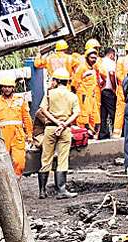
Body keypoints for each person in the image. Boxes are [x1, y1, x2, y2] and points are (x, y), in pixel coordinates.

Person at [37, 67, 80, 198]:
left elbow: (43, 110)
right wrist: (63, 124)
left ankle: (42, 191)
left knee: (46, 158)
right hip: (65, 130)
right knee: (62, 159)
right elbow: (76, 113)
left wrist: (56, 122)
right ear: (67, 82)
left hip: (50, 128)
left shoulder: (50, 94)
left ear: (56, 81)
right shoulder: (72, 96)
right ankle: (61, 190)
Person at [0, 79, 33, 176]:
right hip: (2, 135)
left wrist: (30, 135)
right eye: (5, 87)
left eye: (9, 87)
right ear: (1, 88)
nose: (7, 89)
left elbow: (26, 118)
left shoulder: (20, 100)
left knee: (19, 162)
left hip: (17, 134)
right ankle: (6, 183)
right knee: (2, 160)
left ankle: (17, 181)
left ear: (13, 88)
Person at [75, 42, 102, 134]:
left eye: (95, 58)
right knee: (83, 116)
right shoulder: (82, 68)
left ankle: (91, 132)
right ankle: (82, 133)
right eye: (92, 58)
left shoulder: (93, 68)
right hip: (83, 95)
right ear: (87, 58)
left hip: (91, 96)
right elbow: (75, 82)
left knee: (94, 115)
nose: (94, 60)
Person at [97, 47, 119, 139]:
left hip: (101, 90)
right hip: (109, 90)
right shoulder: (111, 63)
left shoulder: (100, 62)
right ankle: (116, 132)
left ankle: (103, 133)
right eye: (113, 56)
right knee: (113, 111)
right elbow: (112, 74)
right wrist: (114, 88)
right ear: (111, 54)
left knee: (103, 113)